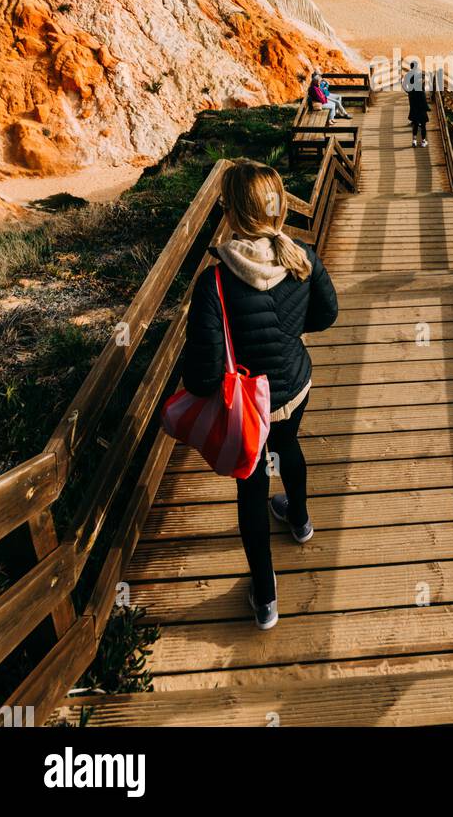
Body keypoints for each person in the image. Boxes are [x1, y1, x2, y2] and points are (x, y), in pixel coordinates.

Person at [181, 162, 338, 631]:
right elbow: (327, 314)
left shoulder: (214, 281)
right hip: (295, 386)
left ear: (231, 212)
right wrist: (288, 336)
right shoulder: (301, 256)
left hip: (250, 406)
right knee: (289, 447)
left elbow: (205, 375)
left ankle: (266, 597)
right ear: (280, 205)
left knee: (250, 485)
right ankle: (301, 521)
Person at [408, 79, 430, 147]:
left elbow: (411, 103)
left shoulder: (411, 92)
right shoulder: (421, 92)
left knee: (415, 125)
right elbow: (424, 103)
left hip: (414, 111)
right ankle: (423, 141)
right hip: (421, 112)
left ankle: (414, 141)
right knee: (423, 126)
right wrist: (428, 109)